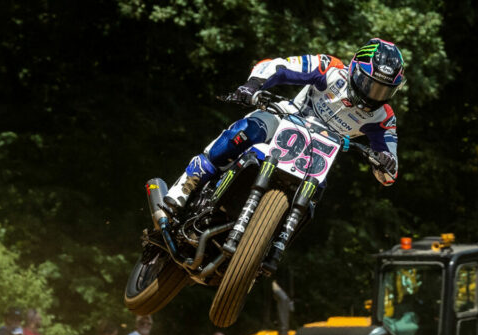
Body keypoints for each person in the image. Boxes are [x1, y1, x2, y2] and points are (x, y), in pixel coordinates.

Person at [163, 39, 405, 209]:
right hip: (285, 119)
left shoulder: (384, 118)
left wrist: (384, 163)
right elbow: (279, 66)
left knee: (316, 195)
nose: (373, 94)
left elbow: (390, 172)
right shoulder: (329, 68)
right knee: (249, 130)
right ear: (354, 69)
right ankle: (188, 181)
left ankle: (270, 246)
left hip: (319, 155)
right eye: (369, 84)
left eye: (383, 90)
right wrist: (253, 85)